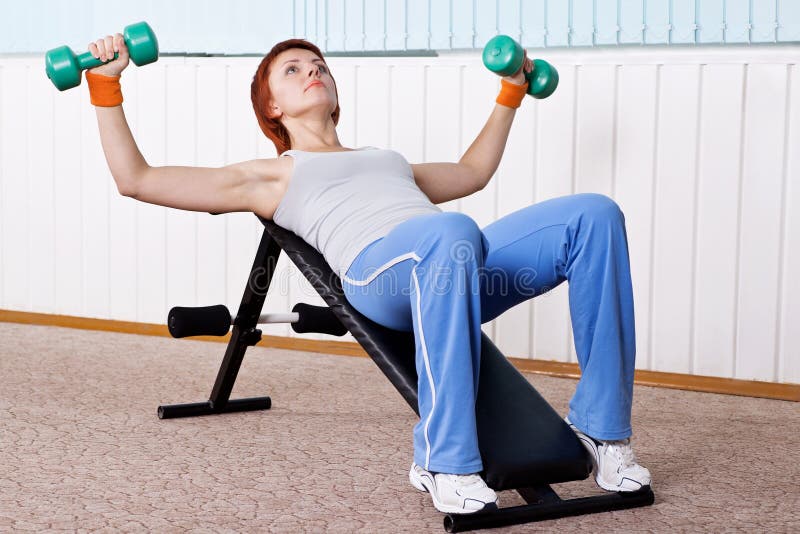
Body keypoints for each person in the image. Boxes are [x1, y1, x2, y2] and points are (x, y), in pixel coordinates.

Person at [86, 32, 651, 516]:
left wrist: (512, 91)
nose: (312, 71)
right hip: (380, 277)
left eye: (319, 65)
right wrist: (106, 86)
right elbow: (137, 179)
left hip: (454, 264)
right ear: (272, 107)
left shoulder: (388, 159)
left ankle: (602, 433)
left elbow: (472, 171)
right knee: (449, 231)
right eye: (293, 69)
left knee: (593, 215)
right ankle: (444, 461)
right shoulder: (272, 175)